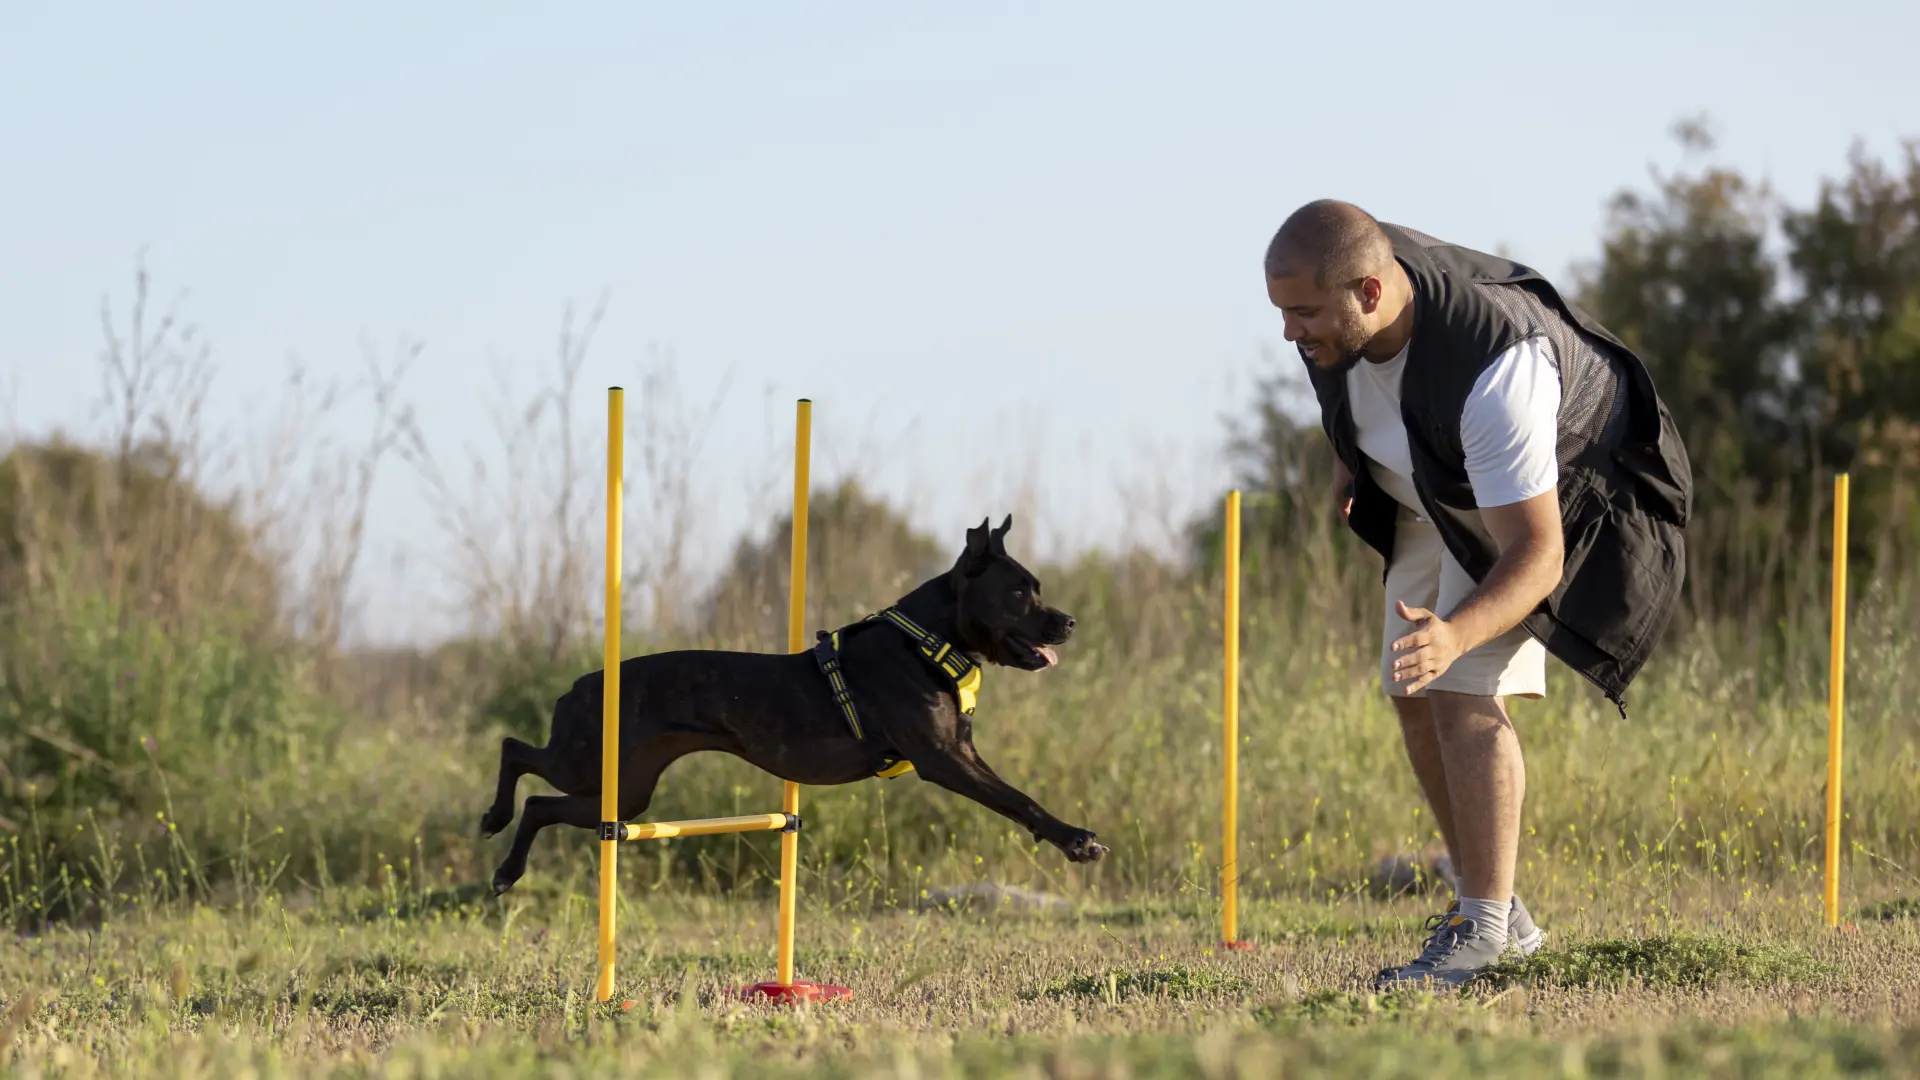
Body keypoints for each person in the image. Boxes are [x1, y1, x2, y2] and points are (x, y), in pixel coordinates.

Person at [1262, 200, 1691, 987]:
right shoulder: (1338, 305)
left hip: (1541, 498)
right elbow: (1358, 391)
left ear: (1368, 292)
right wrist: (1352, 464)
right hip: (1439, 478)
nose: (1290, 332)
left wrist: (1458, 633)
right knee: (1410, 684)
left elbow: (1535, 555)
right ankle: (1490, 911)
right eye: (1281, 312)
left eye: (1302, 313)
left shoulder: (1497, 373)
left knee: (1458, 683)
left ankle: (1485, 935)